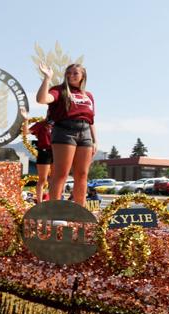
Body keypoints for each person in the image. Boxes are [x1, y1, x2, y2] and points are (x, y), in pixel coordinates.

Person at [35, 62, 97, 207]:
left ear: (83, 76)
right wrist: (47, 78)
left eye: (75, 73)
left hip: (85, 132)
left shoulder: (88, 95)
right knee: (61, 173)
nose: (71, 75)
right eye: (68, 73)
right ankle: (55, 210)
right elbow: (41, 99)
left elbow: (91, 120)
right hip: (65, 131)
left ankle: (80, 211)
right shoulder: (59, 90)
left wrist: (95, 140)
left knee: (82, 174)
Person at [27, 116, 54, 202]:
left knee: (54, 179)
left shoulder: (59, 125)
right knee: (43, 179)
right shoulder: (40, 124)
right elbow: (26, 132)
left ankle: (54, 201)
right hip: (44, 152)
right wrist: (25, 120)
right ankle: (39, 203)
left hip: (57, 152)